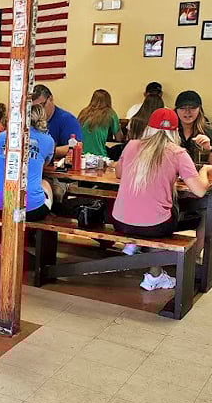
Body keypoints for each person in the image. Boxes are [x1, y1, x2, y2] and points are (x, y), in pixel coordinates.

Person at [113, 107, 212, 291]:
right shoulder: (178, 153)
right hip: (155, 226)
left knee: (153, 212)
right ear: (175, 130)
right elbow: (199, 191)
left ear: (148, 127)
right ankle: (158, 274)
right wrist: (205, 170)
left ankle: (133, 245)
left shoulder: (133, 144)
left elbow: (119, 173)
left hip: (120, 222)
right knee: (198, 217)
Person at [0, 104, 54, 220]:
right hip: (29, 210)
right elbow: (45, 164)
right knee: (45, 183)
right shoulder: (48, 141)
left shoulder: (3, 136)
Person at [31, 84, 81, 159]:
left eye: (41, 105)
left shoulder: (67, 120)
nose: (38, 111)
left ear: (50, 99)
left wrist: (49, 151)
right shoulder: (30, 119)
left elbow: (77, 146)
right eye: (33, 108)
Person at [77, 88, 122, 156]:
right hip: (99, 155)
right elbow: (119, 138)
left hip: (80, 154)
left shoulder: (83, 113)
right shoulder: (110, 114)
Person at [175, 90, 212, 160]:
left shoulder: (208, 132)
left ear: (199, 109)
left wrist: (208, 149)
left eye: (192, 107)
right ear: (176, 110)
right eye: (182, 108)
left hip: (200, 170)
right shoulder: (167, 132)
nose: (187, 112)